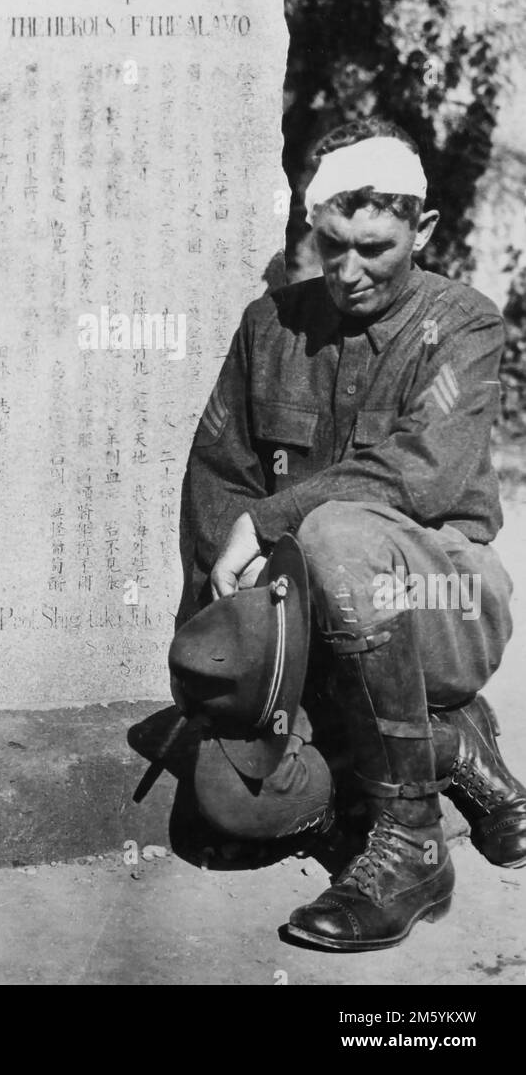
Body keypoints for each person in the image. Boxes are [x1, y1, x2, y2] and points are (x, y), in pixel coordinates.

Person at [178, 116, 526, 951]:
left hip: (444, 600)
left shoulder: (467, 327)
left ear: (423, 230)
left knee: (335, 530)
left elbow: (422, 472)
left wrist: (269, 520)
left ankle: (409, 844)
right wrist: (230, 651)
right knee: (235, 803)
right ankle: (453, 748)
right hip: (312, 625)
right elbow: (217, 476)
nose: (349, 272)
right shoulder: (270, 326)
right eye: (331, 246)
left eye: (373, 247)